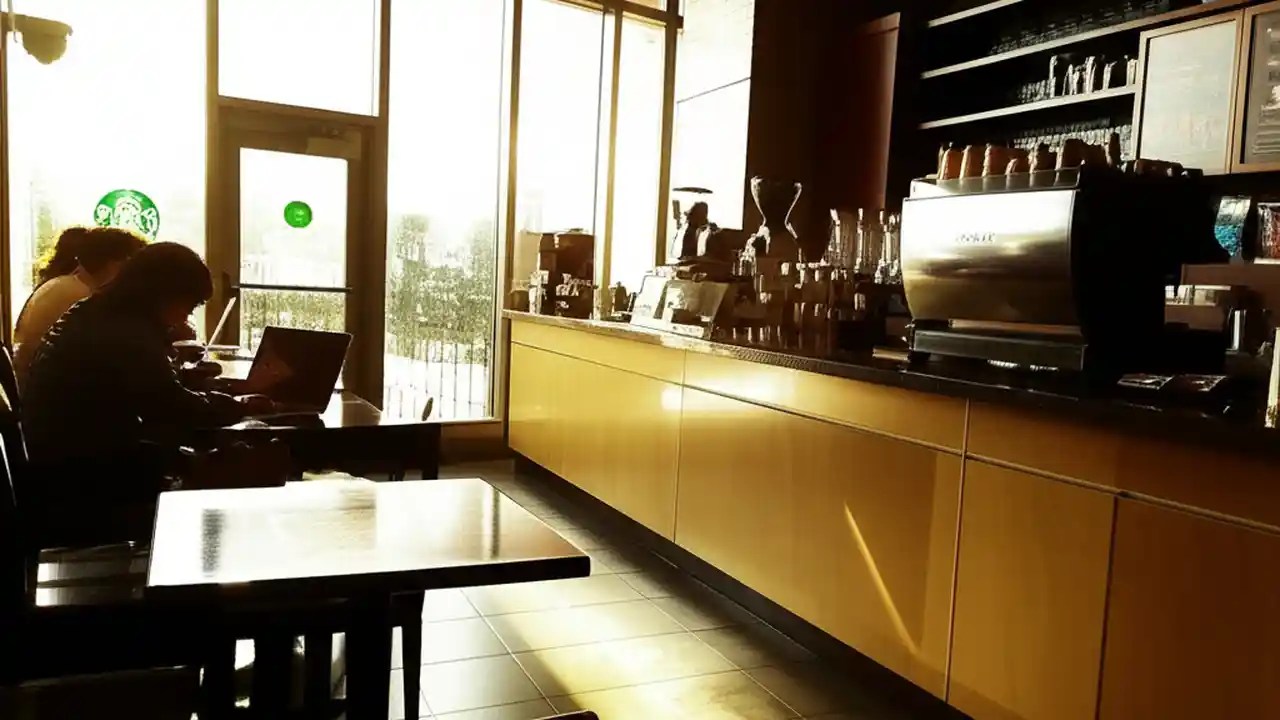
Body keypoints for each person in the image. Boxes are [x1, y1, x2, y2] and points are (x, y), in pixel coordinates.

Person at [21, 242, 275, 506]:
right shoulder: (126, 331)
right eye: (188, 305)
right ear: (165, 294)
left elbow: (149, 385)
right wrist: (238, 407)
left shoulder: (97, 312)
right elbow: (170, 405)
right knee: (246, 465)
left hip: (61, 463)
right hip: (88, 481)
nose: (185, 316)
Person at [13, 226, 147, 386]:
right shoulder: (82, 298)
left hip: (38, 389)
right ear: (115, 265)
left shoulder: (63, 284)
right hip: (53, 397)